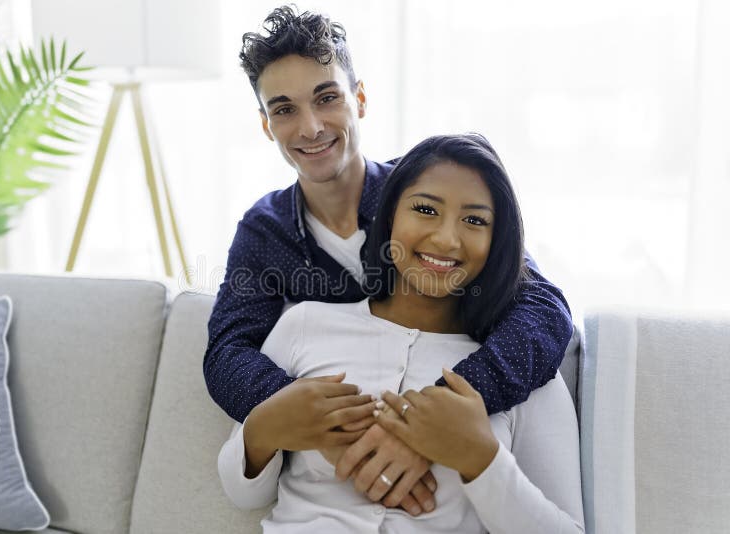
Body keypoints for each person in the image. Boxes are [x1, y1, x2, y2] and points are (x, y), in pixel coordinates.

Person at [205, 5, 573, 513]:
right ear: (267, 125)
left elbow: (544, 309)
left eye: (327, 98)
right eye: (284, 109)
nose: (310, 127)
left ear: (359, 99)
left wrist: (433, 418)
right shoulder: (265, 229)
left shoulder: (426, 201)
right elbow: (228, 350)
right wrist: (323, 427)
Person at [218, 134, 584, 533]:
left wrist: (479, 458)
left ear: (497, 242)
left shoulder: (524, 369)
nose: (446, 238)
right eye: (426, 209)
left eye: (475, 220)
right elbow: (244, 495)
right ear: (390, 216)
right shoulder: (304, 326)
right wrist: (264, 427)